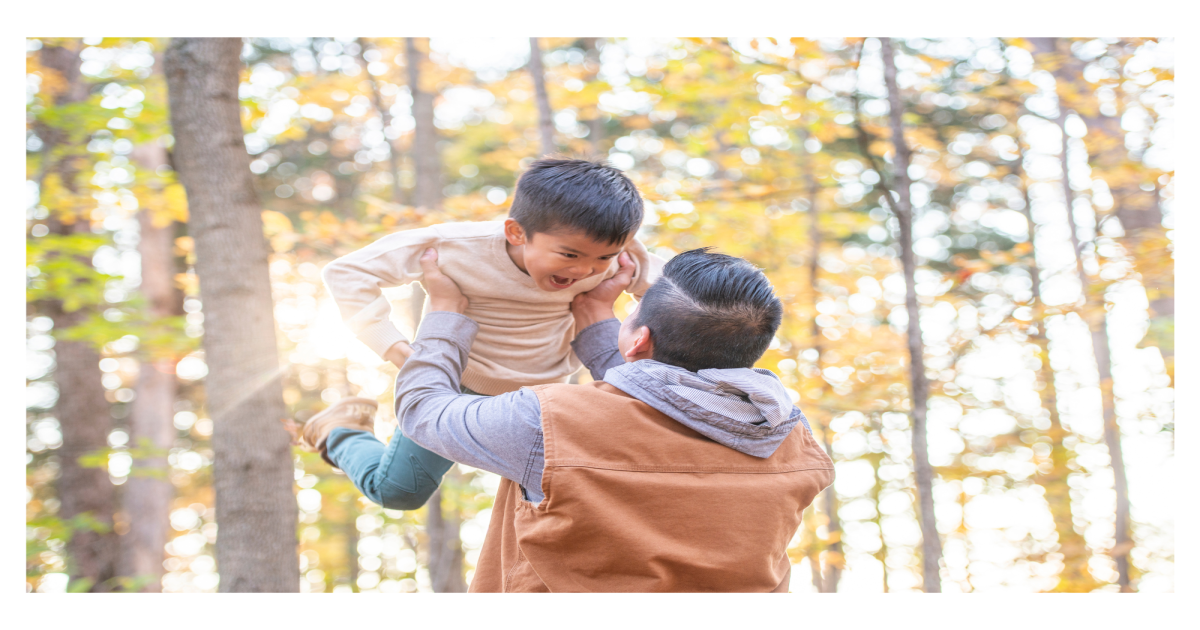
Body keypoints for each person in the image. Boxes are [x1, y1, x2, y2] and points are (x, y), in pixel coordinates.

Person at [349, 245, 835, 592]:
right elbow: (668, 407)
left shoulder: (548, 421)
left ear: (639, 339)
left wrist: (445, 314)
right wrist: (597, 317)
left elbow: (423, 411)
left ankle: (337, 433)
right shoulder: (795, 440)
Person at [283, 158, 665, 510]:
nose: (585, 270)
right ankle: (341, 432)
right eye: (570, 255)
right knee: (399, 491)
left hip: (545, 395)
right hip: (454, 387)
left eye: (602, 258)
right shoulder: (455, 247)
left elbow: (676, 295)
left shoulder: (623, 255)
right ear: (516, 233)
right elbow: (347, 273)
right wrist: (397, 349)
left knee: (573, 493)